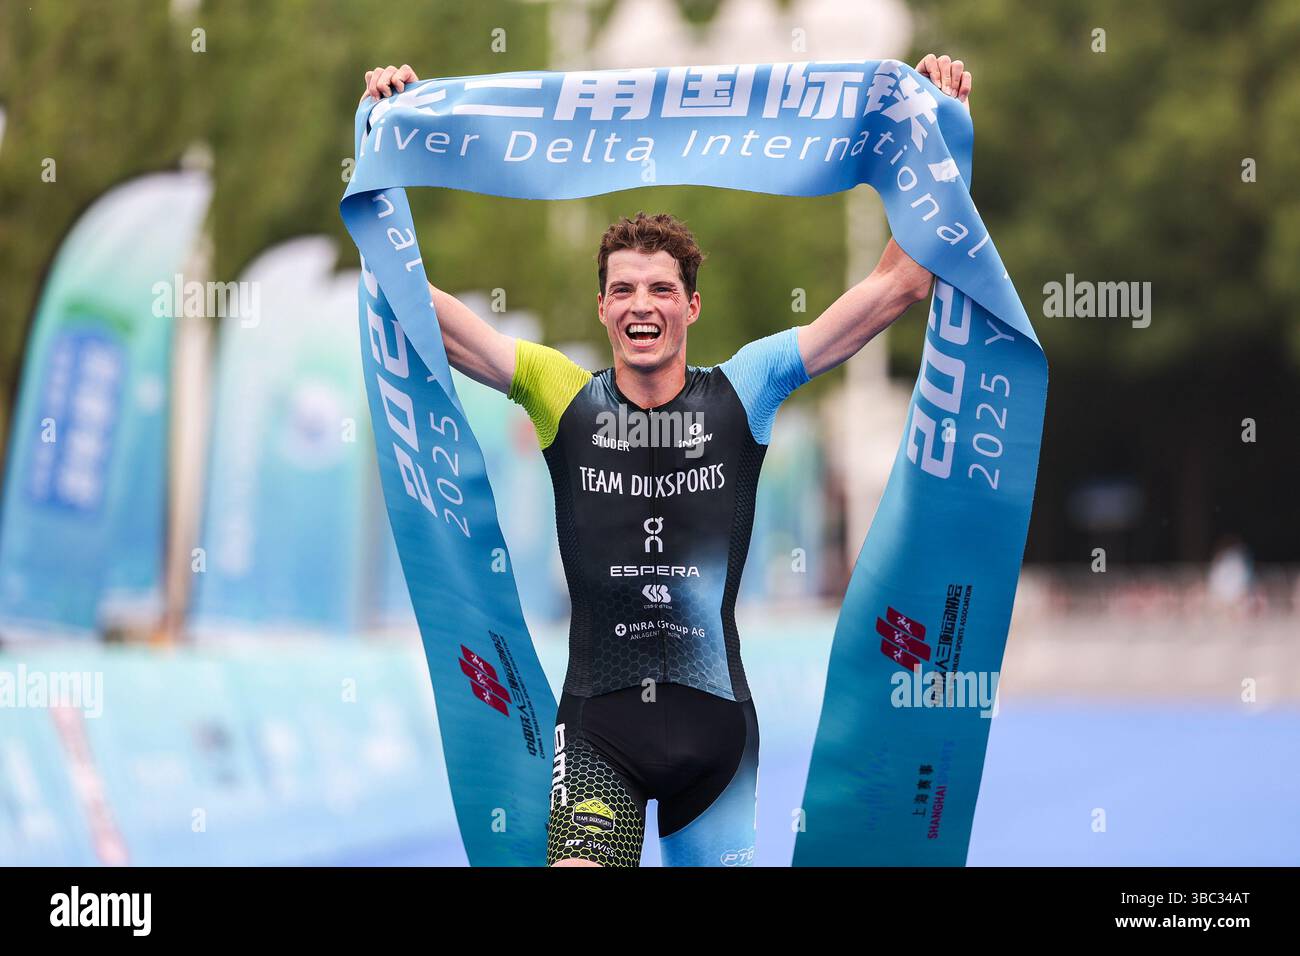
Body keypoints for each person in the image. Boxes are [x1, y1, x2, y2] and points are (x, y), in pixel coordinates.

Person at [362, 54, 973, 867]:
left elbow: (898, 284)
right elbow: (410, 298)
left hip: (716, 738)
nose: (640, 305)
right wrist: (383, 142)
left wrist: (939, 136)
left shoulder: (747, 388)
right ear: (603, 307)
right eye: (622, 290)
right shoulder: (560, 392)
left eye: (658, 289)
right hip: (597, 733)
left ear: (690, 305)